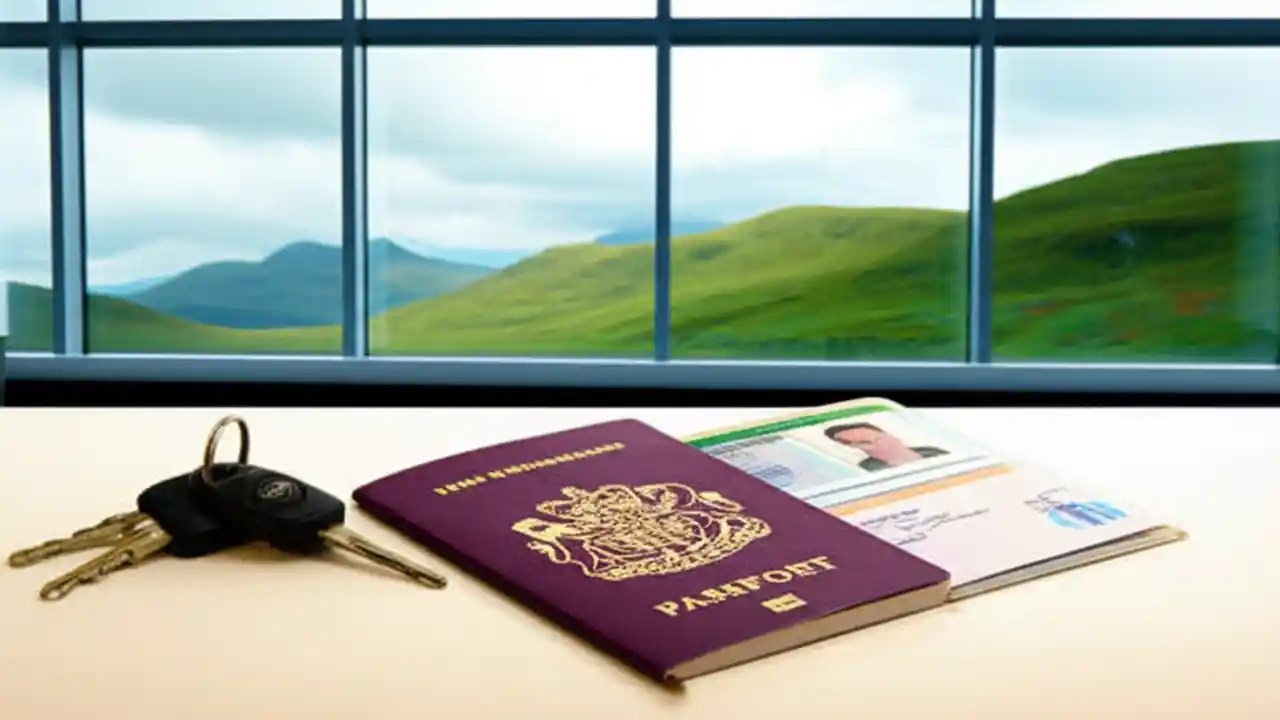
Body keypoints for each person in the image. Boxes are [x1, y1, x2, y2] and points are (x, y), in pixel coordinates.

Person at [822, 422, 948, 472]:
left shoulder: (934, 452)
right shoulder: (869, 469)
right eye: (862, 444)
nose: (875, 447)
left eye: (877, 440)